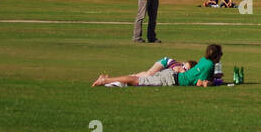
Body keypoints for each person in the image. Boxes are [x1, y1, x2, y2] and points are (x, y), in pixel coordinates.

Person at [92, 44, 222, 87]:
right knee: (137, 81)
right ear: (216, 56)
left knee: (143, 77)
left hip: (172, 75)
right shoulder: (210, 64)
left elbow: (198, 74)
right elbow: (200, 83)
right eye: (220, 54)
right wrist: (212, 83)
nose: (221, 56)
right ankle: (106, 80)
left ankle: (110, 80)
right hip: (171, 79)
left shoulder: (204, 60)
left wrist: (214, 77)